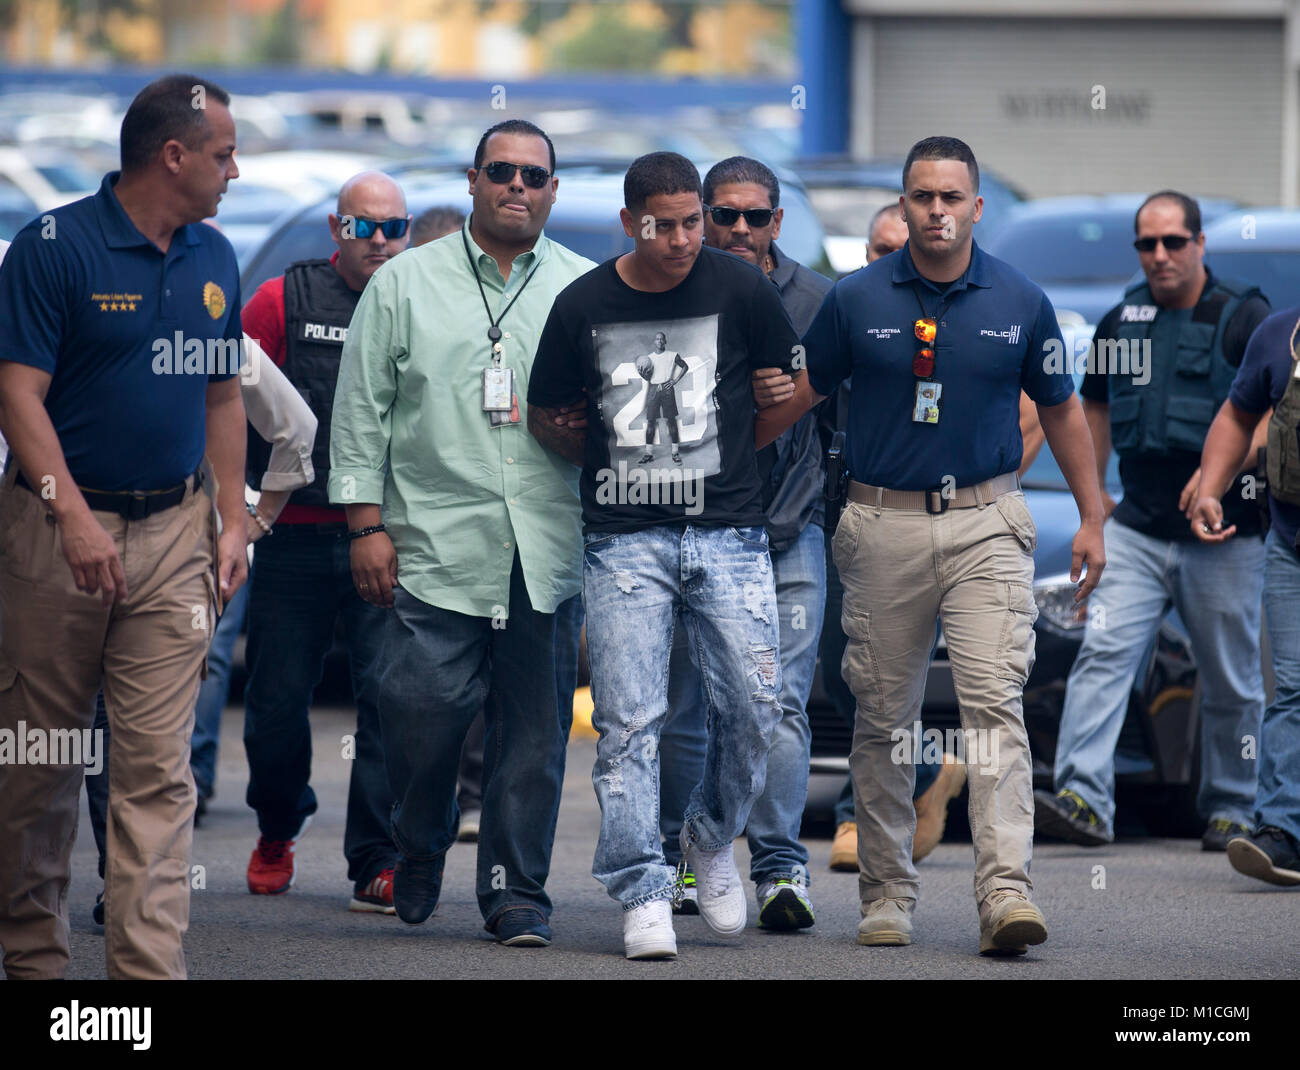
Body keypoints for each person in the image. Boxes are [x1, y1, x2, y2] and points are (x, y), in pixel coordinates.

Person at [758, 136, 1106, 955]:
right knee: (884, 718)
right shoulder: (855, 299)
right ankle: (886, 895)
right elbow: (794, 402)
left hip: (988, 522)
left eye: (952, 198)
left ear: (977, 208)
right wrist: (719, 476)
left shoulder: (1020, 300)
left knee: (993, 709)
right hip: (881, 526)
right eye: (923, 197)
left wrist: (1092, 516)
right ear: (904, 204)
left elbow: (1060, 408)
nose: (938, 211)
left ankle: (1004, 894)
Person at [0, 73, 247, 979]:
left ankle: (144, 984)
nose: (235, 170)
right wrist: (70, 516)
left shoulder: (215, 255)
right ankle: (33, 967)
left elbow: (223, 393)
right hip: (54, 538)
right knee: (37, 773)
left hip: (176, 533)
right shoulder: (53, 245)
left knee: (156, 775)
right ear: (172, 156)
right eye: (223, 154)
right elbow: (14, 393)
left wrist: (230, 518)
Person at [527, 151, 801, 960]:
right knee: (628, 722)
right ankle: (641, 888)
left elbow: (785, 395)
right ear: (628, 222)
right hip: (622, 538)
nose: (682, 238)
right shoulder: (583, 303)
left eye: (692, 221)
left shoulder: (740, 287)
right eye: (663, 224)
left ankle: (711, 837)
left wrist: (731, 464)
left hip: (729, 529)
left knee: (756, 706)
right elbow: (546, 417)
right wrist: (606, 466)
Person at [328, 119, 592, 947]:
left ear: (553, 190)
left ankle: (516, 894)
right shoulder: (403, 284)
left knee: (534, 735)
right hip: (431, 545)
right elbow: (360, 412)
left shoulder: (586, 290)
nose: (518, 186)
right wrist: (363, 523)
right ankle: (418, 838)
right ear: (473, 180)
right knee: (418, 708)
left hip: (545, 547)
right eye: (502, 171)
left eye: (535, 176)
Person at [1036, 190, 1271, 851]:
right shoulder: (1120, 320)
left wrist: (1217, 477)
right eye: (1148, 244)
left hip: (1224, 532)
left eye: (1174, 242)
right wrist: (1091, 502)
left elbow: (1273, 412)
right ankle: (1084, 799)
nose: (1160, 255)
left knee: (1230, 675)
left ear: (1200, 244)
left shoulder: (1243, 315)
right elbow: (1096, 411)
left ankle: (1232, 808)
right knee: (1105, 653)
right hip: (1138, 524)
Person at [83, 334, 319, 923]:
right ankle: (129, 879)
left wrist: (250, 524)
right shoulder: (200, 319)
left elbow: (295, 428)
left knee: (111, 725)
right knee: (137, 727)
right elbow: (297, 428)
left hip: (133, 549)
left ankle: (128, 880)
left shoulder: (202, 324)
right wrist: (251, 524)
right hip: (157, 552)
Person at [655, 155, 831, 930]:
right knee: (687, 707)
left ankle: (781, 871)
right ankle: (683, 857)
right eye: (721, 214)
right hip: (689, 534)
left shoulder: (820, 302)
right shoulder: (667, 290)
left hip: (789, 535)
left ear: (777, 222)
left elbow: (842, 423)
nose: (736, 229)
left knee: (778, 704)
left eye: (754, 216)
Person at [238, 171, 412, 913]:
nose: (379, 242)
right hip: (293, 537)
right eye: (363, 227)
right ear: (338, 230)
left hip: (386, 540)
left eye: (393, 228)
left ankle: (374, 860)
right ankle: (279, 822)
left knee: (386, 701)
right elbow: (229, 394)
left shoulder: (419, 301)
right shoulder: (281, 301)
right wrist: (239, 510)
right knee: (274, 706)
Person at [1192, 306, 1300, 885]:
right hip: (1290, 539)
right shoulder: (1280, 334)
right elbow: (1238, 415)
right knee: (1294, 686)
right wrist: (1211, 487)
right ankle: (1283, 833)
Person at [407, 203, 488, 842]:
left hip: (513, 536)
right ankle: (418, 831)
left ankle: (512, 880)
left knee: (499, 701)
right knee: (425, 699)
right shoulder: (402, 300)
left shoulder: (538, 298)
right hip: (421, 537)